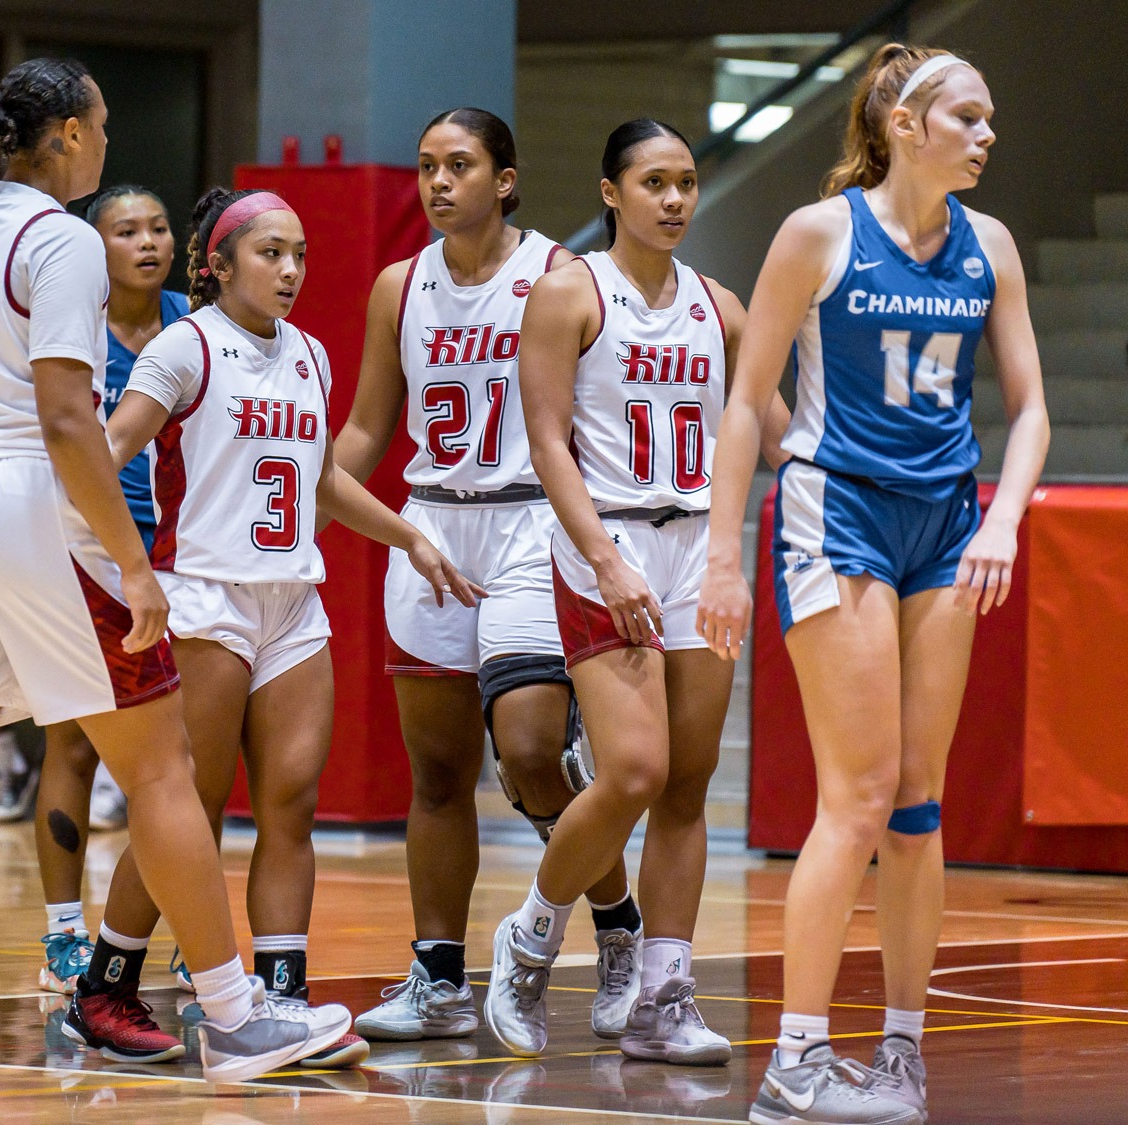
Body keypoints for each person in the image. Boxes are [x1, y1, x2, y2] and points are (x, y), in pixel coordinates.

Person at [0, 59, 351, 1100]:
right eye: (102, 126)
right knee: (160, 770)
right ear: (65, 134)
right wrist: (128, 562)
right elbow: (71, 420)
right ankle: (237, 1018)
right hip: (16, 496)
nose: (108, 145)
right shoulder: (60, 239)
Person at [697, 46, 1049, 1124]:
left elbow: (1030, 409)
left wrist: (998, 521)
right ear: (906, 125)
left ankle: (900, 1054)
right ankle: (794, 1064)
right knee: (851, 798)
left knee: (915, 806)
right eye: (969, 118)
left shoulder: (987, 246)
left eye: (990, 120)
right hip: (830, 508)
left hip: (944, 522)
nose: (987, 136)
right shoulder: (818, 235)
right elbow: (748, 403)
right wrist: (720, 556)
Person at [72, 185, 481, 1072]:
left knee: (290, 801)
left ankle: (281, 996)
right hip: (204, 596)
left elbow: (322, 478)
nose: (291, 269)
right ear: (218, 265)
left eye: (299, 252)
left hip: (292, 600)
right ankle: (104, 983)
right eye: (270, 252)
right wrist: (116, 567)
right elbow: (104, 453)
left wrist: (410, 532)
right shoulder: (186, 346)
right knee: (187, 800)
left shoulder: (309, 354)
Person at [331, 107, 646, 1044]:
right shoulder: (400, 285)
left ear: (504, 179)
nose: (437, 182)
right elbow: (365, 425)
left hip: (530, 523)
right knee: (434, 773)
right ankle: (437, 979)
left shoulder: (557, 276)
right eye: (426, 166)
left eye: (458, 165)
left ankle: (615, 919)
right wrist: (314, 480)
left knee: (530, 750)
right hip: (431, 524)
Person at [486, 116, 785, 1066]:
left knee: (688, 788)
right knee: (634, 771)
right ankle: (532, 933)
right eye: (655, 182)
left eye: (688, 182)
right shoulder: (570, 291)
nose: (675, 200)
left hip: (699, 545)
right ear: (612, 192)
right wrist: (605, 560)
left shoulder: (721, 306)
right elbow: (544, 444)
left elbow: (778, 427)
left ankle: (662, 992)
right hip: (604, 539)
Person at [34, 183, 188, 995]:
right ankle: (64, 930)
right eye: (126, 230)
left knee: (175, 755)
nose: (148, 240)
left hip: (184, 555)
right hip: (84, 548)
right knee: (73, 743)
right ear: (97, 248)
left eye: (158, 227)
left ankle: (181, 926)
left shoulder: (195, 319)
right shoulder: (74, 325)